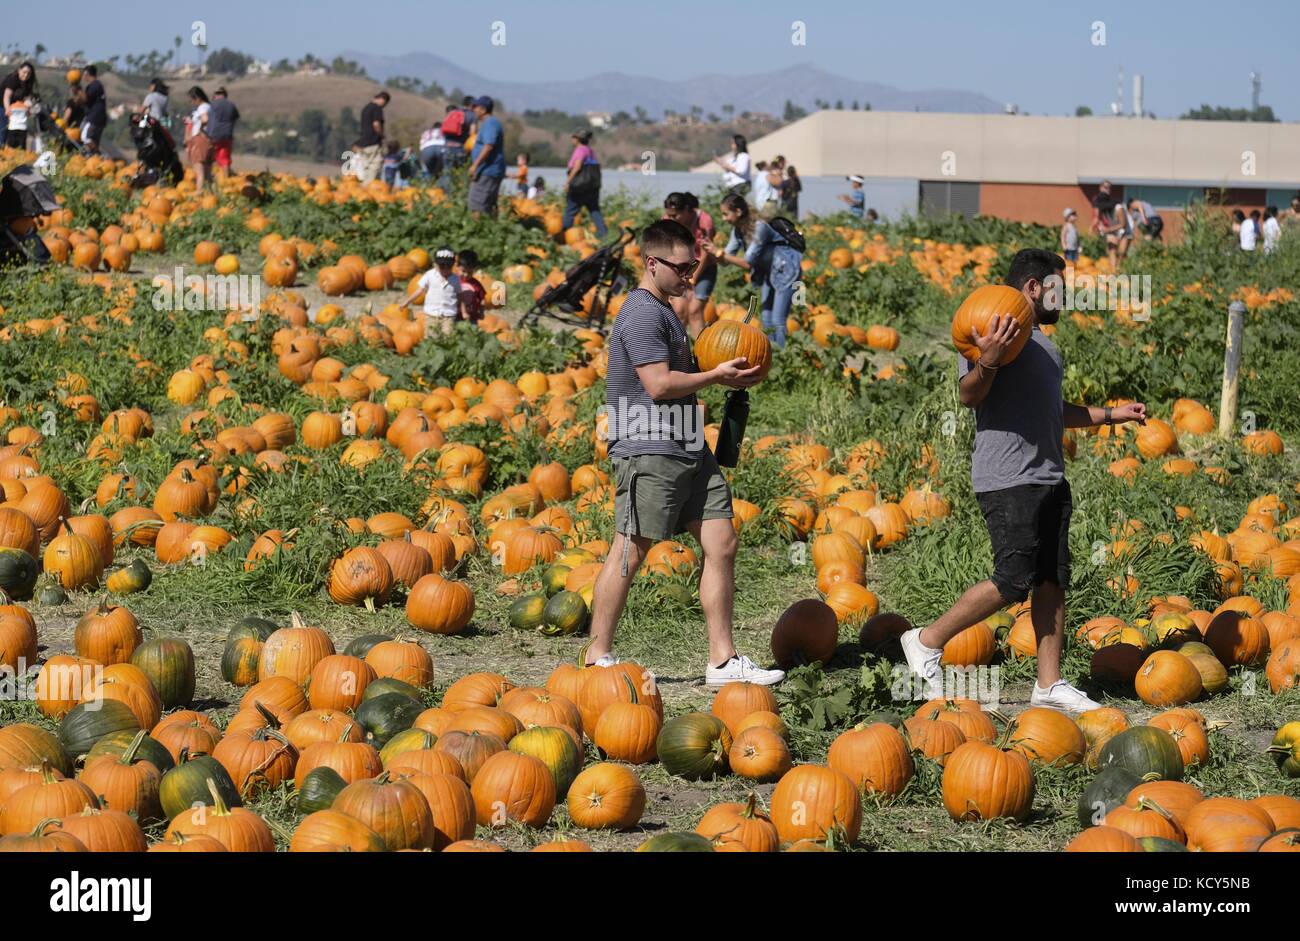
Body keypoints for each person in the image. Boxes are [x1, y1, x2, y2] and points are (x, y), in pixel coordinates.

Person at [900, 248, 1149, 714]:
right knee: (1013, 579)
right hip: (1007, 477)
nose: (1066, 297)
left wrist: (1112, 414)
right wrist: (989, 360)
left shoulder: (1045, 346)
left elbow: (1057, 413)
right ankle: (925, 640)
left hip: (1049, 475)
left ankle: (1048, 685)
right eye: (1059, 287)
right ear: (1034, 287)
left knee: (1051, 579)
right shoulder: (990, 326)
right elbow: (969, 396)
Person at [584, 218, 780, 686]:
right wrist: (716, 377)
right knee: (631, 548)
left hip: (689, 442)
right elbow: (658, 385)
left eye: (694, 265)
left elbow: (683, 376)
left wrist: (729, 374)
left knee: (722, 542)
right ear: (652, 264)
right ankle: (597, 655)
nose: (690, 274)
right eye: (682, 267)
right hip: (647, 444)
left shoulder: (667, 309)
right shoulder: (641, 314)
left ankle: (721, 660)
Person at [705, 192, 801, 349]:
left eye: (725, 214)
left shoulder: (759, 227)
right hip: (768, 272)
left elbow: (747, 264)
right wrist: (712, 252)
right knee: (766, 317)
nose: (723, 219)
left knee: (777, 319)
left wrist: (719, 253)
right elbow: (726, 260)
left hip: (786, 269)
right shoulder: (737, 231)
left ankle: (783, 355)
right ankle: (771, 353)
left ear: (738, 212)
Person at [662, 191, 716, 335]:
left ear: (686, 210)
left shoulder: (704, 221)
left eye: (675, 215)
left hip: (704, 268)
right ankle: (679, 350)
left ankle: (700, 352)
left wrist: (692, 279)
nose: (671, 219)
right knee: (678, 310)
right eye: (669, 215)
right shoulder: (667, 220)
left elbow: (705, 253)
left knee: (694, 311)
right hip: (681, 268)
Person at [397, 245, 463, 335]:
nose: (445, 269)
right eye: (442, 266)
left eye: (448, 266)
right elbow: (419, 290)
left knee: (448, 336)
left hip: (448, 314)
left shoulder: (455, 279)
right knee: (431, 335)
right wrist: (407, 302)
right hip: (431, 314)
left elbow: (459, 295)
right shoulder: (429, 275)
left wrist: (462, 309)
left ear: (453, 265)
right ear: (435, 264)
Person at [562, 129, 606, 237]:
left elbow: (577, 166)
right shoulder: (590, 151)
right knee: (594, 210)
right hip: (592, 188)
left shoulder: (580, 150)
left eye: (574, 137)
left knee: (570, 210)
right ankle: (603, 233)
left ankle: (565, 234)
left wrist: (568, 182)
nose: (572, 139)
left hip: (580, 187)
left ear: (578, 139)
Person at [467, 96, 506, 218]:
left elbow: (488, 146)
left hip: (487, 171)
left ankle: (476, 233)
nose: (473, 110)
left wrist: (475, 165)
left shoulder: (490, 124)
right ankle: (491, 232)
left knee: (476, 205)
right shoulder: (489, 124)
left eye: (476, 107)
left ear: (483, 109)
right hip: (489, 170)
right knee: (488, 206)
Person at [353, 90, 389, 184]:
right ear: (382, 99)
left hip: (364, 142)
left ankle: (364, 188)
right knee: (375, 166)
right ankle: (370, 189)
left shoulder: (366, 108)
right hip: (373, 141)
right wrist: (382, 135)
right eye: (385, 103)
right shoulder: (377, 108)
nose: (384, 106)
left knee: (366, 167)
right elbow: (376, 124)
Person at [206, 87, 239, 178]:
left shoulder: (212, 105)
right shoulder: (231, 105)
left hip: (213, 135)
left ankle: (209, 178)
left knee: (209, 158)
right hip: (227, 135)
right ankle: (226, 178)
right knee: (225, 158)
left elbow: (207, 119)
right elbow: (236, 117)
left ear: (215, 95)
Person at [184, 86, 213, 191]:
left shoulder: (202, 107)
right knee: (208, 171)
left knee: (199, 170)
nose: (192, 102)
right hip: (208, 139)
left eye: (192, 99)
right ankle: (210, 192)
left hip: (200, 139)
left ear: (197, 98)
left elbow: (205, 119)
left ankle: (199, 192)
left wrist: (199, 129)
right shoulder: (208, 106)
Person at [2, 62, 36, 148]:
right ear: (19, 70)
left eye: (28, 73)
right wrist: (7, 109)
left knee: (13, 133)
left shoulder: (28, 83)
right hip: (2, 106)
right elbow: (7, 96)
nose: (26, 75)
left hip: (15, 109)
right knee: (3, 131)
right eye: (24, 72)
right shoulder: (12, 79)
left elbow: (27, 99)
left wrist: (28, 108)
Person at [437, 102, 469, 186]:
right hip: (460, 150)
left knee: (447, 174)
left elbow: (442, 135)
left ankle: (448, 196)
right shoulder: (462, 120)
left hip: (448, 149)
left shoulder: (445, 121)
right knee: (461, 174)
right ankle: (460, 193)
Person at [80, 65, 107, 155]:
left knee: (85, 137)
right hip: (98, 118)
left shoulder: (95, 85)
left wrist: (78, 89)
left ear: (88, 74)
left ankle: (99, 155)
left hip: (94, 118)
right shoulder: (96, 85)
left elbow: (85, 99)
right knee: (93, 140)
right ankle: (95, 156)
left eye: (84, 75)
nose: (83, 77)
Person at [455, 249, 486, 324]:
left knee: (471, 333)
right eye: (463, 271)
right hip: (454, 315)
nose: (466, 275)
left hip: (471, 317)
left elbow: (482, 299)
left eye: (469, 272)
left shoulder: (476, 284)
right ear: (457, 266)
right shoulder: (453, 281)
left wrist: (481, 312)